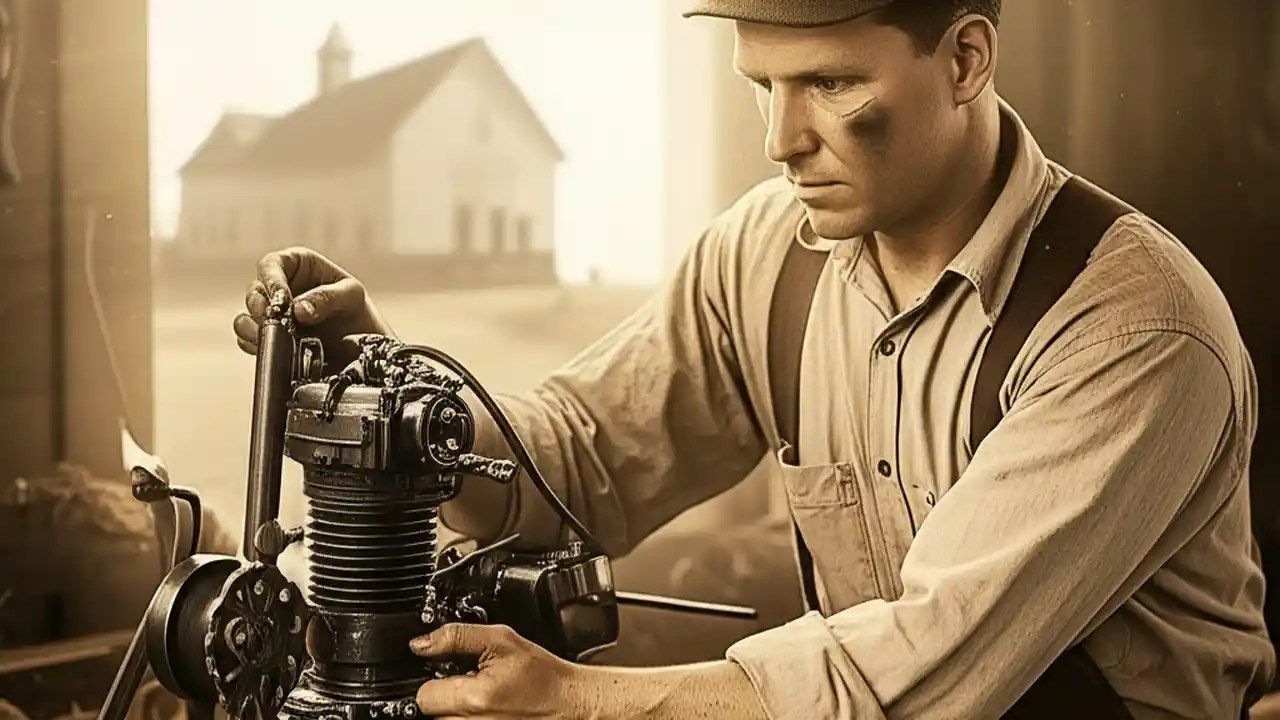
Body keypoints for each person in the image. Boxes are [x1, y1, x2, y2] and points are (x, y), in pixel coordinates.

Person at [232, 1, 1276, 717]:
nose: (779, 139)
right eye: (759, 85)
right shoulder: (767, 252)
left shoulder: (1132, 326)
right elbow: (578, 459)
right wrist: (391, 387)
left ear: (964, 60)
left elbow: (919, 680)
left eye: (828, 82)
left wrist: (580, 702)